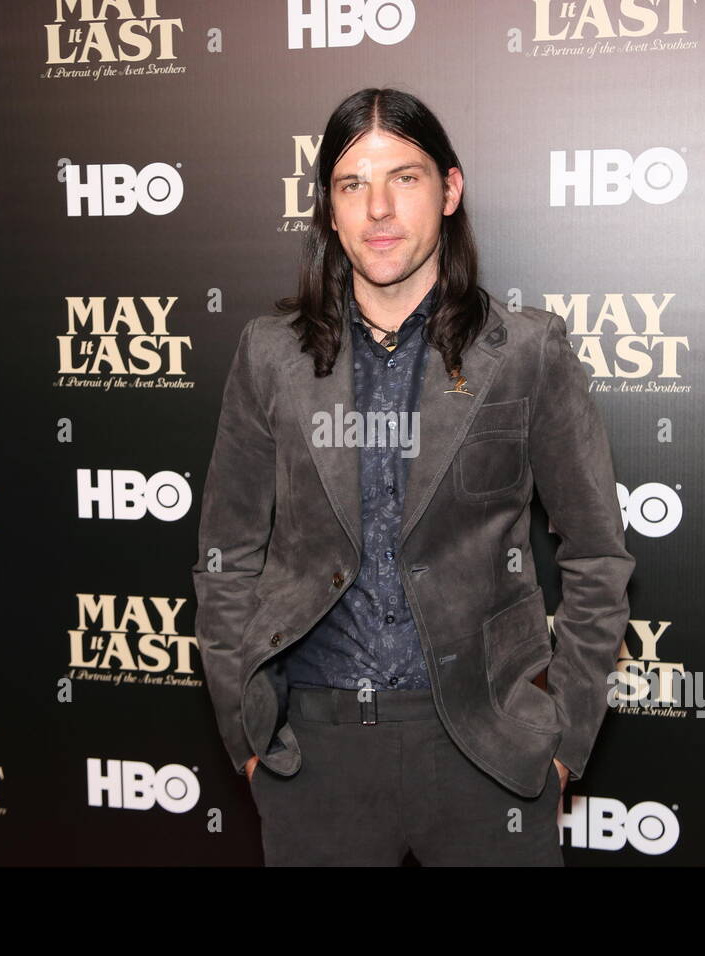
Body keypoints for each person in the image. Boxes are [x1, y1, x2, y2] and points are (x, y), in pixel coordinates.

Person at [192, 87, 634, 866]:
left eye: (406, 177)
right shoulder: (270, 355)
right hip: (313, 756)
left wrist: (561, 738)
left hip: (490, 748)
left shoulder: (527, 351)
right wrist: (248, 735)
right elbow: (226, 555)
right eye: (352, 185)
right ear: (329, 208)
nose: (379, 210)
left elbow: (597, 555)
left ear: (451, 191)